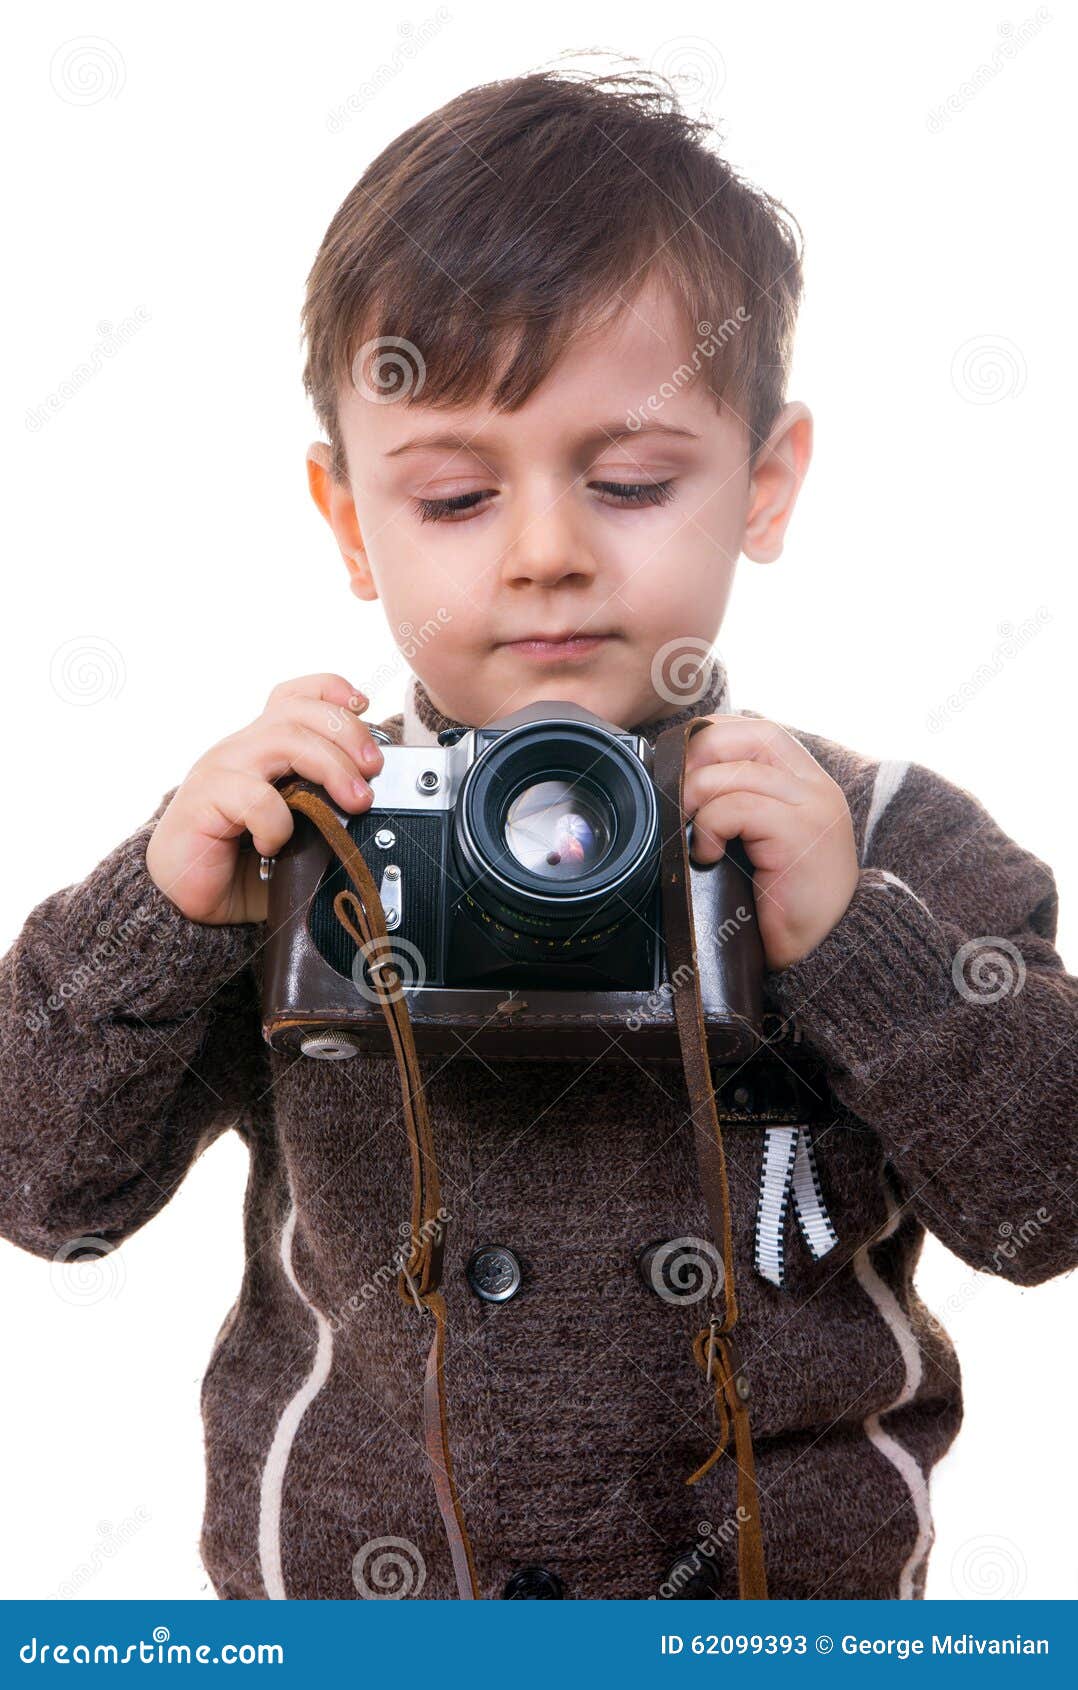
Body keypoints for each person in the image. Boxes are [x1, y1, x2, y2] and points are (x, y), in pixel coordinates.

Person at [1, 64, 1074, 1602]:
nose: (548, 555)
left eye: (630, 480)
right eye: (451, 498)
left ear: (763, 484)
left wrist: (856, 946)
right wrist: (160, 908)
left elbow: (1048, 1207)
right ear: (347, 521)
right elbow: (41, 1188)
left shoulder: (877, 840)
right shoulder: (300, 839)